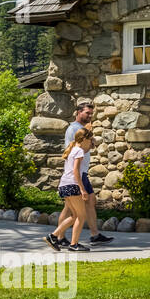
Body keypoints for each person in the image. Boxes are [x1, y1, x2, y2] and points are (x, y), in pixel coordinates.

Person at [58, 102, 112, 246]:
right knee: (69, 208)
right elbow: (72, 149)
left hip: (82, 172)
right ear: (78, 112)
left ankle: (94, 234)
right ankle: (59, 237)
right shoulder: (73, 129)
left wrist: (90, 142)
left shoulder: (82, 129)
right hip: (77, 173)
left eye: (91, 113)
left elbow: (82, 146)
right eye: (87, 113)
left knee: (90, 202)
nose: (90, 116)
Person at [46, 128, 97, 252]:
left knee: (74, 216)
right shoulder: (79, 151)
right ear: (84, 139)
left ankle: (53, 236)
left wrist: (91, 144)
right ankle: (73, 244)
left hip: (64, 185)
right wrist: (82, 189)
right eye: (90, 139)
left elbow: (73, 167)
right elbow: (76, 171)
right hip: (73, 185)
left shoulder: (73, 149)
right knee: (81, 215)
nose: (91, 142)